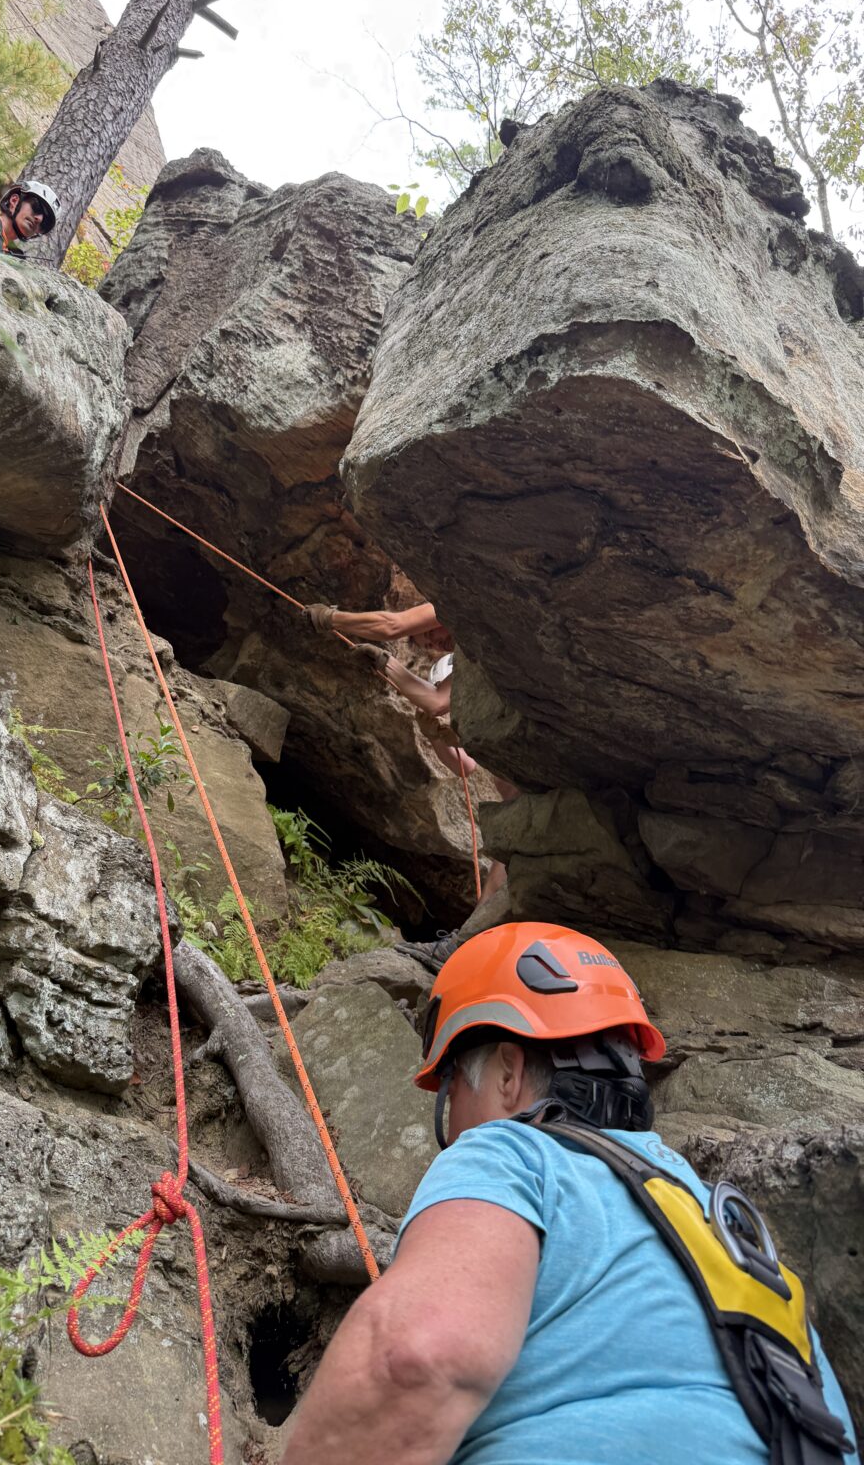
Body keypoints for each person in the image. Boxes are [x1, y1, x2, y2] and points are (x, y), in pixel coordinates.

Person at [280, 921, 856, 1465]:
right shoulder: (712, 1216)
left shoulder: (509, 1152)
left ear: (508, 1071)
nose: (451, 1128)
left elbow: (411, 1360)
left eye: (450, 1089)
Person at [305, 599, 517, 904]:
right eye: (429, 643)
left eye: (429, 634)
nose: (435, 641)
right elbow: (463, 764)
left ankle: (472, 940)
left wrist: (331, 618)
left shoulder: (455, 605)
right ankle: (474, 938)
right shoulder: (475, 666)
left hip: (525, 791)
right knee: (500, 878)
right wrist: (435, 736)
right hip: (516, 793)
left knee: (500, 882)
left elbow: (394, 625)